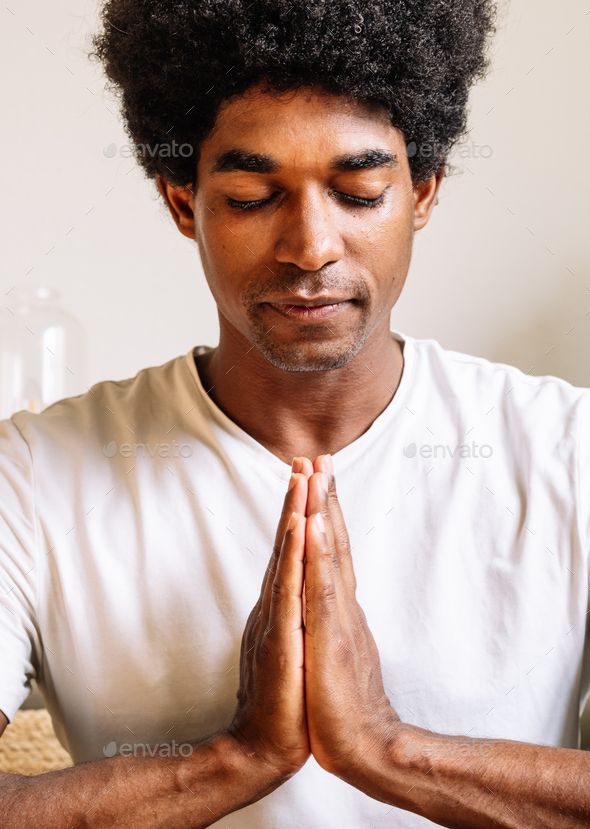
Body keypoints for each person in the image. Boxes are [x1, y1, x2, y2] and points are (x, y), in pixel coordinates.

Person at [1, 0, 590, 826]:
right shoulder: (32, 473)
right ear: (182, 202)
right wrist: (233, 761)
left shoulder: (570, 450)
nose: (311, 246)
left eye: (358, 191)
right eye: (250, 196)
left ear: (421, 192)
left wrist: (390, 749)